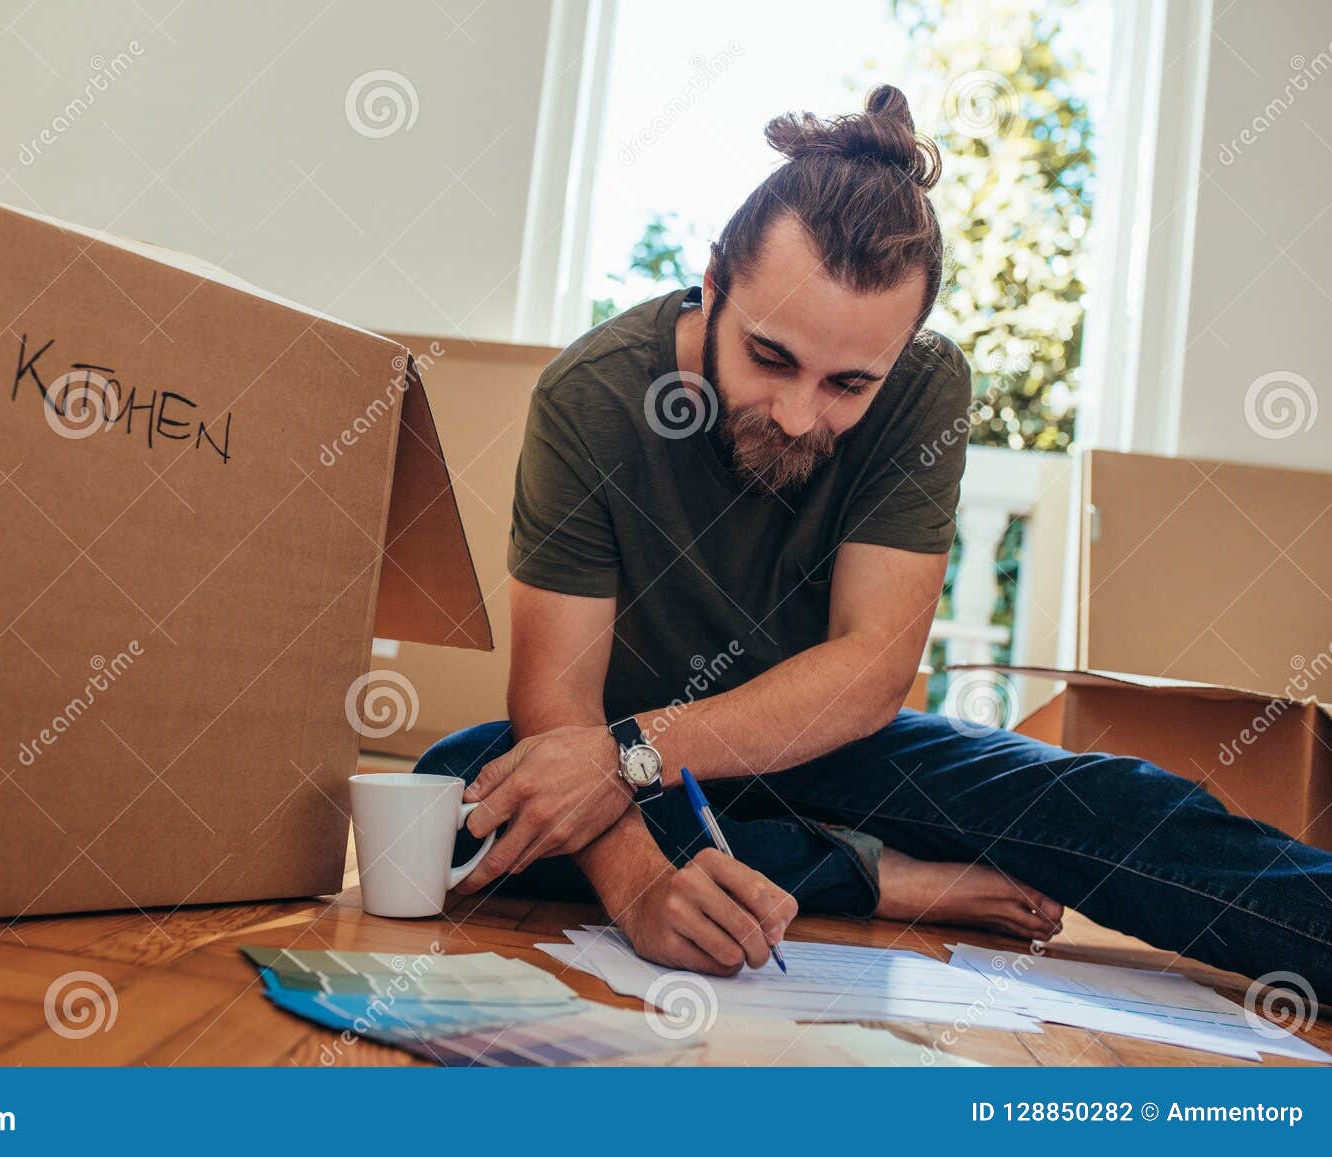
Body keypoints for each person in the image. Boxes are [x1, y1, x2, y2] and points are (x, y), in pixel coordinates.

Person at [413, 86, 1332, 990]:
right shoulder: (593, 397)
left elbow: (868, 672)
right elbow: (554, 704)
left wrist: (632, 753)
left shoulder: (925, 389)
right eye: (770, 357)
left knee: (1109, 801)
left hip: (815, 750)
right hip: (625, 778)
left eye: (849, 383)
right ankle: (880, 876)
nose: (800, 413)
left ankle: (827, 863)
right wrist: (639, 883)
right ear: (714, 285)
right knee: (455, 786)